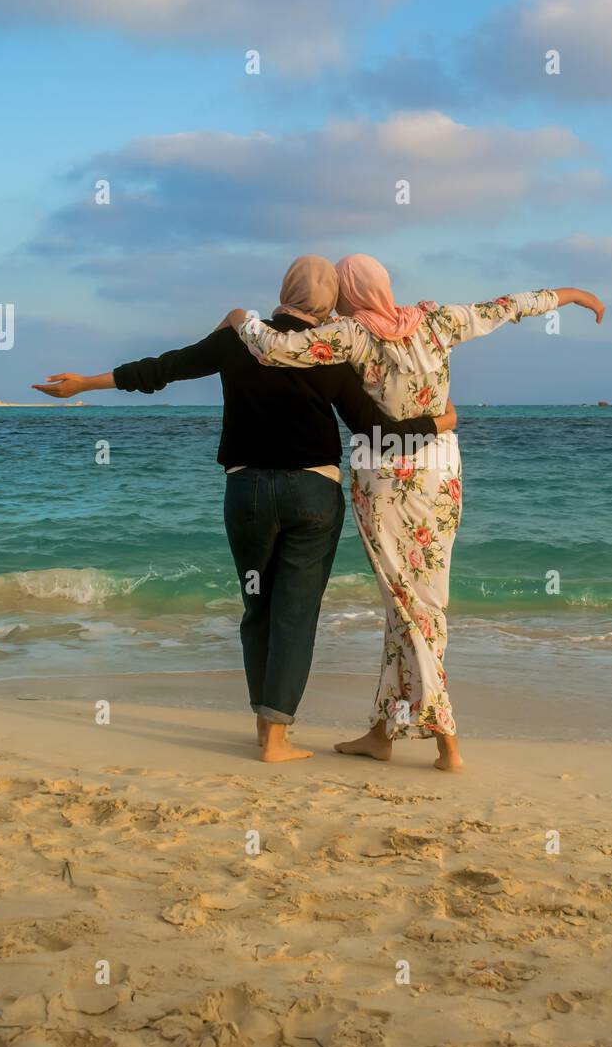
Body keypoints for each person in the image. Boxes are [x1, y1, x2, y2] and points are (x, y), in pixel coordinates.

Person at [33, 255, 456, 763]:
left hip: (247, 493)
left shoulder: (240, 339)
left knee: (258, 608)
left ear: (286, 288)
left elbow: (163, 369)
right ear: (328, 300)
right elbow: (372, 429)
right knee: (295, 615)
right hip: (313, 496)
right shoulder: (331, 353)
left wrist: (86, 383)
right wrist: (438, 424)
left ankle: (264, 729)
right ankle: (276, 736)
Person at [222, 255, 605, 772]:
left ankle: (447, 740)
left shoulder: (351, 334)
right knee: (416, 601)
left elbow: (277, 349)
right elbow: (507, 307)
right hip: (440, 472)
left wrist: (241, 319)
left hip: (383, 480)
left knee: (409, 606)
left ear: (349, 294)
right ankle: (383, 733)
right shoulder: (436, 319)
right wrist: (569, 293)